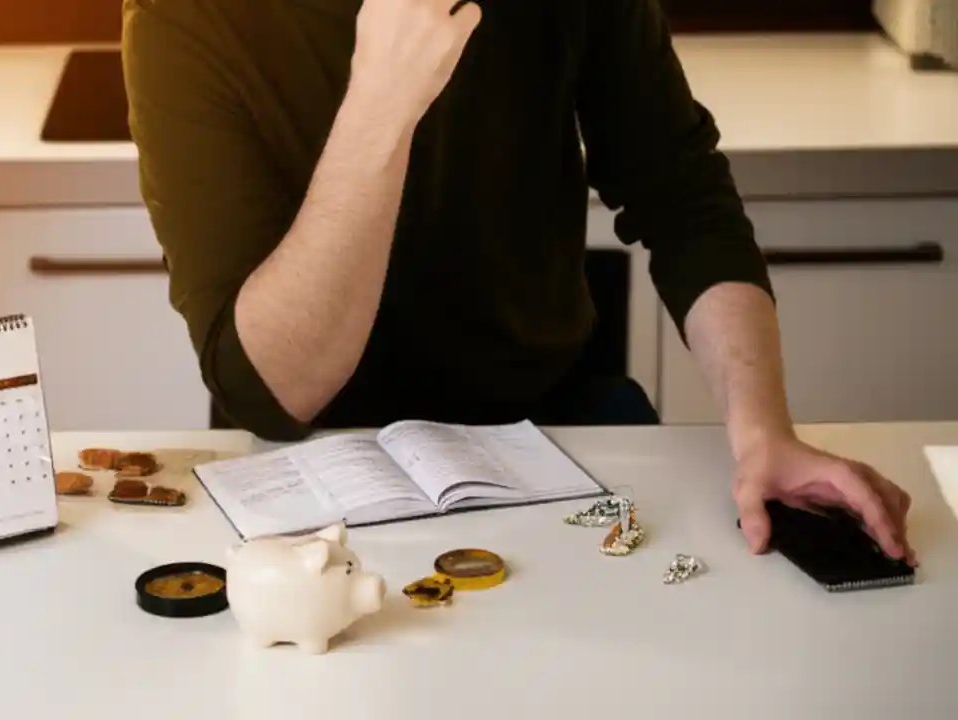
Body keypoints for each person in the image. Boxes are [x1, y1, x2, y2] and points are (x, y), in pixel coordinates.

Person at [120, 0, 916, 564]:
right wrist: (384, 98)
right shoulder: (182, 16)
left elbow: (681, 195)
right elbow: (269, 389)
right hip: (307, 476)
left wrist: (763, 432)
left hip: (549, 434)